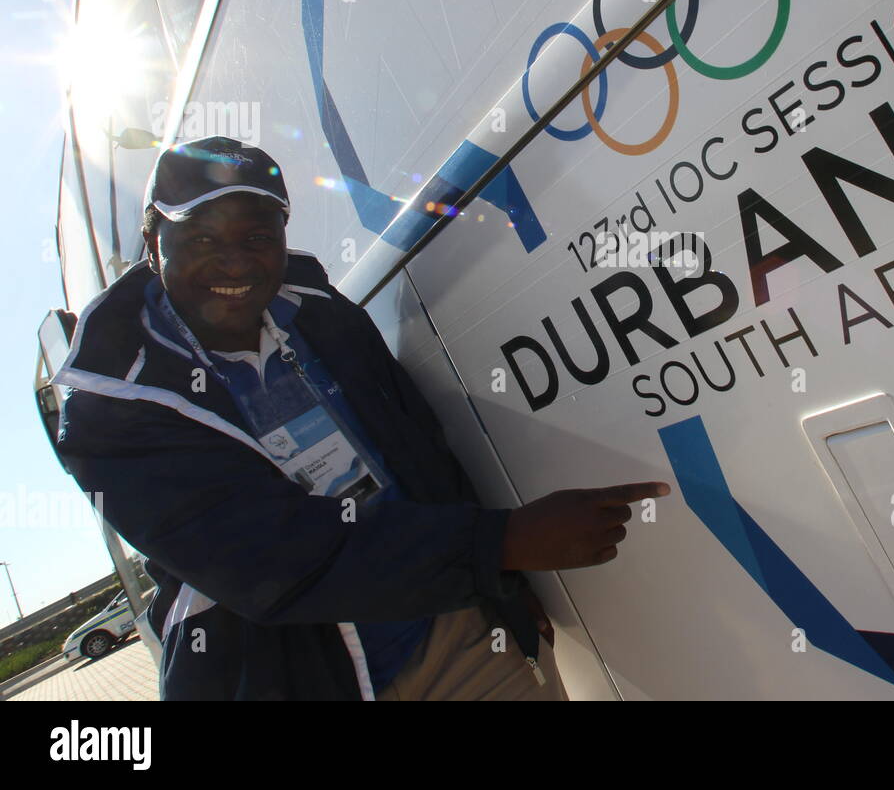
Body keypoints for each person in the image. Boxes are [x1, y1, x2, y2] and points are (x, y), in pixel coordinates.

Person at [53, 136, 669, 700]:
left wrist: (498, 584)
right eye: (203, 239)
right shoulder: (113, 405)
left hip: (452, 634)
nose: (235, 263)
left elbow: (422, 449)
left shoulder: (320, 310)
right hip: (301, 680)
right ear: (152, 241)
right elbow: (267, 560)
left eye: (258, 237)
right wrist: (499, 545)